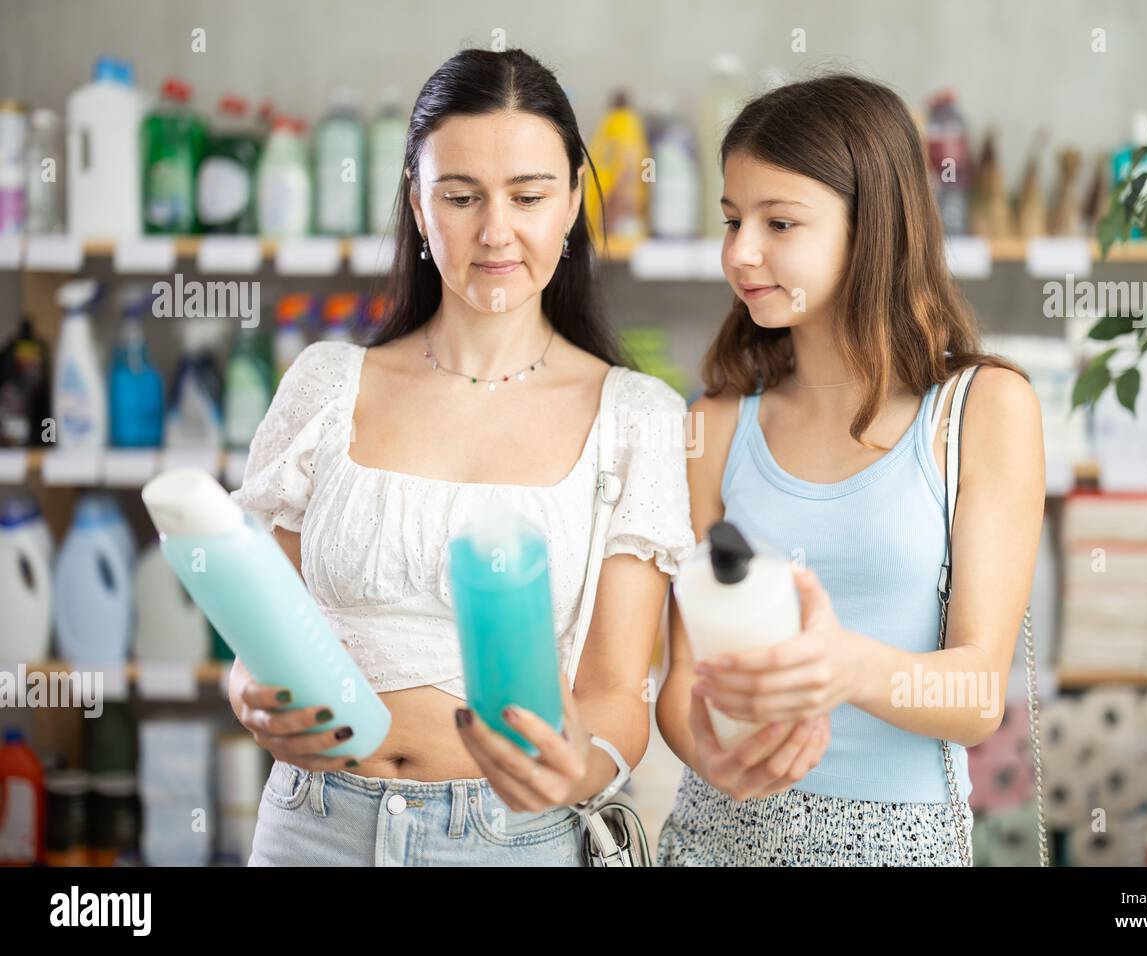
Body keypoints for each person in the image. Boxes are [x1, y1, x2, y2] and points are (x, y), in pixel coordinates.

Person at [228, 48, 694, 866]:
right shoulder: (327, 386)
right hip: (311, 824)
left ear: (573, 200)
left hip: (512, 838)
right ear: (416, 200)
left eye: (529, 195)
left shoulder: (637, 418)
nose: (496, 232)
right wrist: (247, 695)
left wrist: (577, 770)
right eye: (460, 196)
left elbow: (619, 693)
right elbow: (257, 639)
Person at [654, 73, 1045, 866]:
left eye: (780, 222)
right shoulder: (716, 426)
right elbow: (680, 680)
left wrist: (844, 667)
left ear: (873, 228)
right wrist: (711, 753)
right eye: (733, 221)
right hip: (714, 836)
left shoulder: (983, 410)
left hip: (898, 844)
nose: (741, 252)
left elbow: (975, 698)